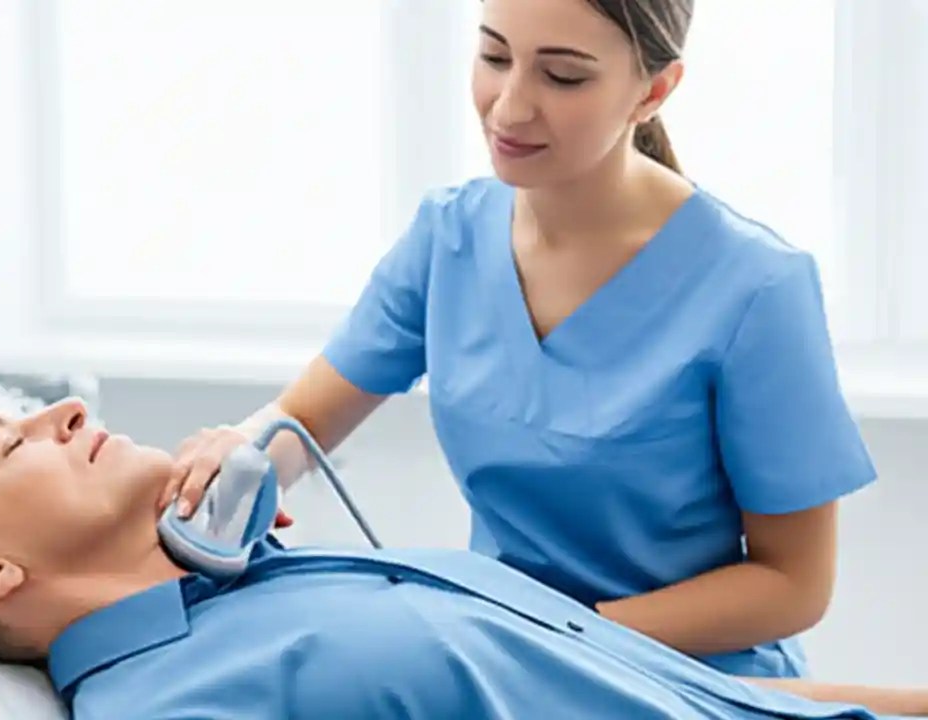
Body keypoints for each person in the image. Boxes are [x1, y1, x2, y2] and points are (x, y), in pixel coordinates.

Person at [166, 0, 877, 680]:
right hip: (512, 663)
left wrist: (564, 633)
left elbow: (794, 583)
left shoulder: (755, 289)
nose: (508, 106)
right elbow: (304, 422)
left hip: (686, 680)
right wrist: (240, 456)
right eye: (494, 55)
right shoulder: (449, 239)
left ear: (653, 90)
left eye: (563, 75)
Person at [0, 400, 927, 719]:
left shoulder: (256, 582)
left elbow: (685, 699)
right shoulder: (174, 705)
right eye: (11, 443)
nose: (61, 409)